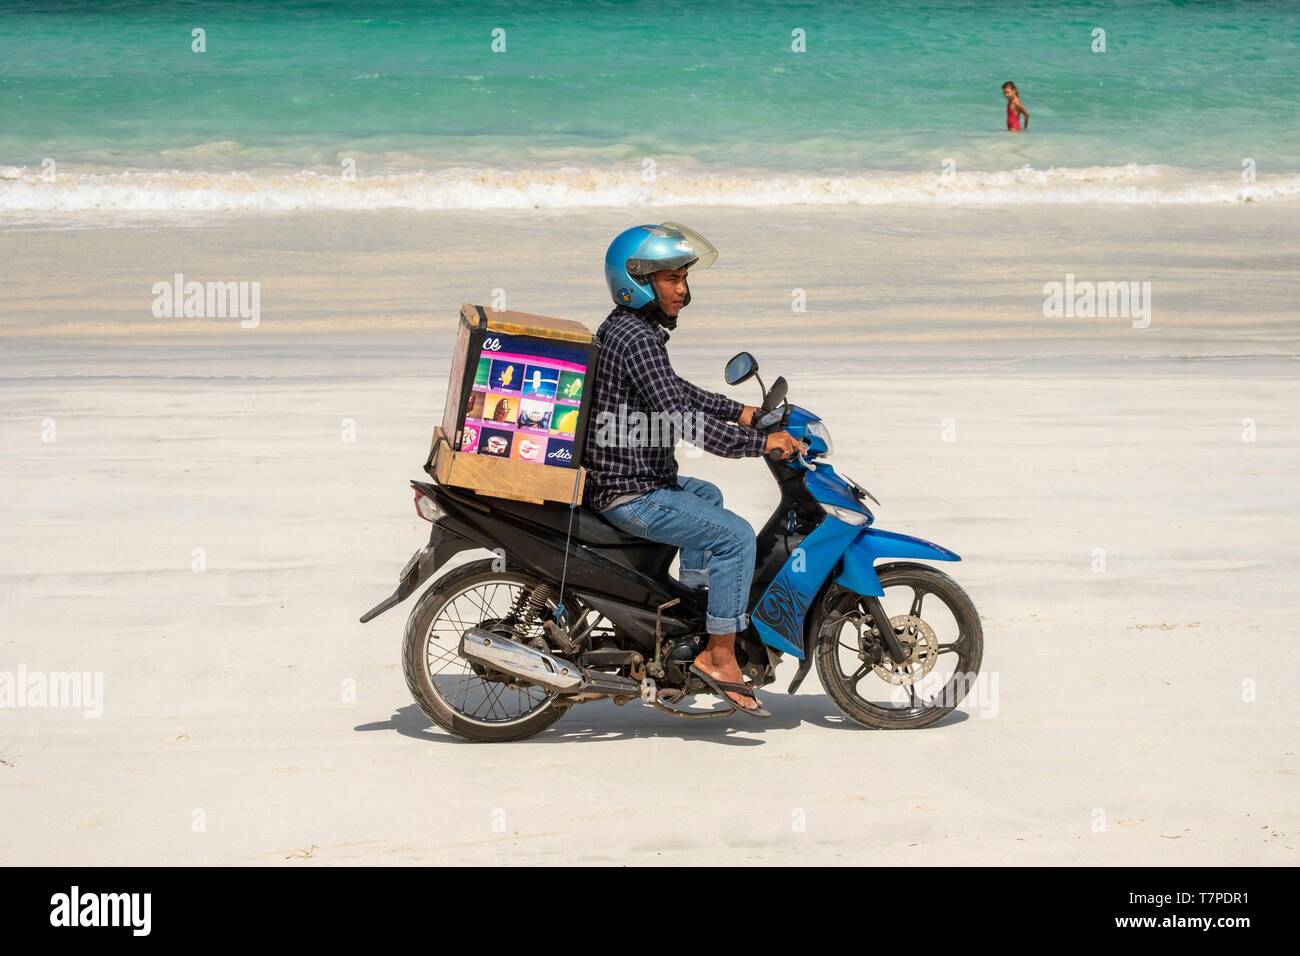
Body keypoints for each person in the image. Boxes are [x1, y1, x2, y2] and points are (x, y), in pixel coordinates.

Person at [581, 222, 803, 717]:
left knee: (707, 496)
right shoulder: (636, 338)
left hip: (635, 477)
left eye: (683, 277)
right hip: (629, 494)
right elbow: (680, 418)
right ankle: (720, 654)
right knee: (737, 536)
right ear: (637, 281)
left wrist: (739, 410)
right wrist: (759, 442)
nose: (683, 289)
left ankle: (695, 610)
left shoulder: (631, 331)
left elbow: (675, 390)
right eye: (671, 279)